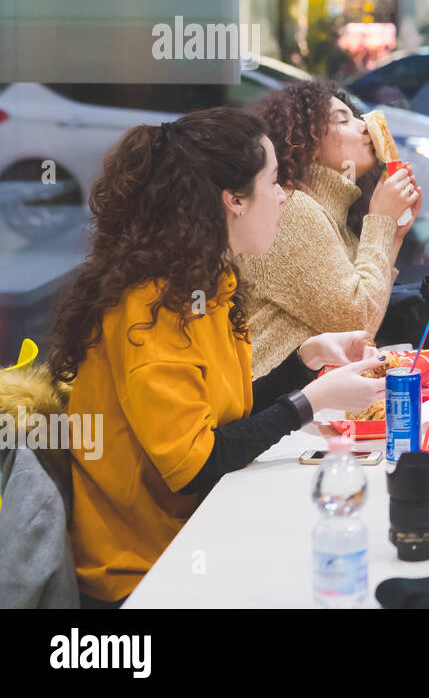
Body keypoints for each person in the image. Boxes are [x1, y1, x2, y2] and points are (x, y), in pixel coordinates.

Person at [48, 108, 389, 607]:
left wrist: (303, 363)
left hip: (195, 534)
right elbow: (196, 466)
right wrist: (309, 403)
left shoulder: (206, 283)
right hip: (144, 574)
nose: (284, 196)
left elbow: (220, 417)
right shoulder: (151, 308)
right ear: (232, 200)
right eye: (273, 182)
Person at [238, 80, 421, 377]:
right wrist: (382, 221)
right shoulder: (293, 210)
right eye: (341, 120)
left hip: (314, 402)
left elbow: (366, 309)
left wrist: (394, 236)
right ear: (306, 143)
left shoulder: (334, 216)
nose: (364, 127)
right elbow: (358, 323)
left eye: (357, 116)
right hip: (279, 410)